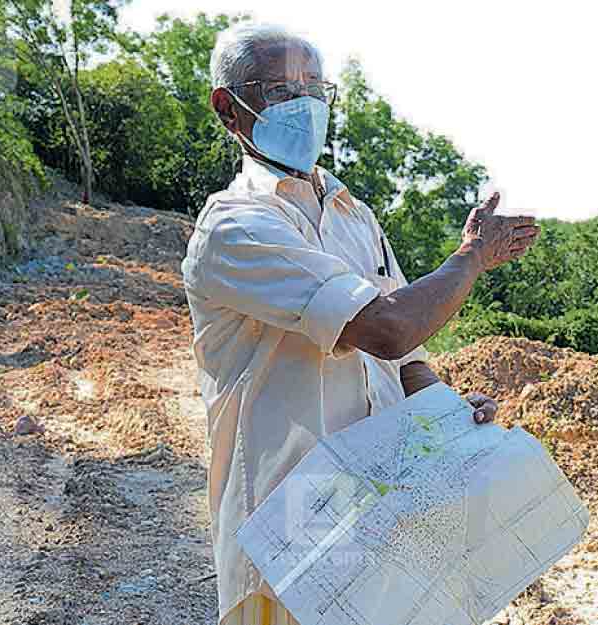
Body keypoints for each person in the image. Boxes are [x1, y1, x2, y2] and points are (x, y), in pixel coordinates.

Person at [182, 23, 540, 625]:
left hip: (373, 503)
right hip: (287, 517)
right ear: (228, 108)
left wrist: (446, 409)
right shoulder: (235, 227)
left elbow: (401, 357)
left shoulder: (354, 213)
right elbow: (386, 326)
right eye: (278, 89)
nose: (303, 106)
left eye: (313, 88)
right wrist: (473, 256)